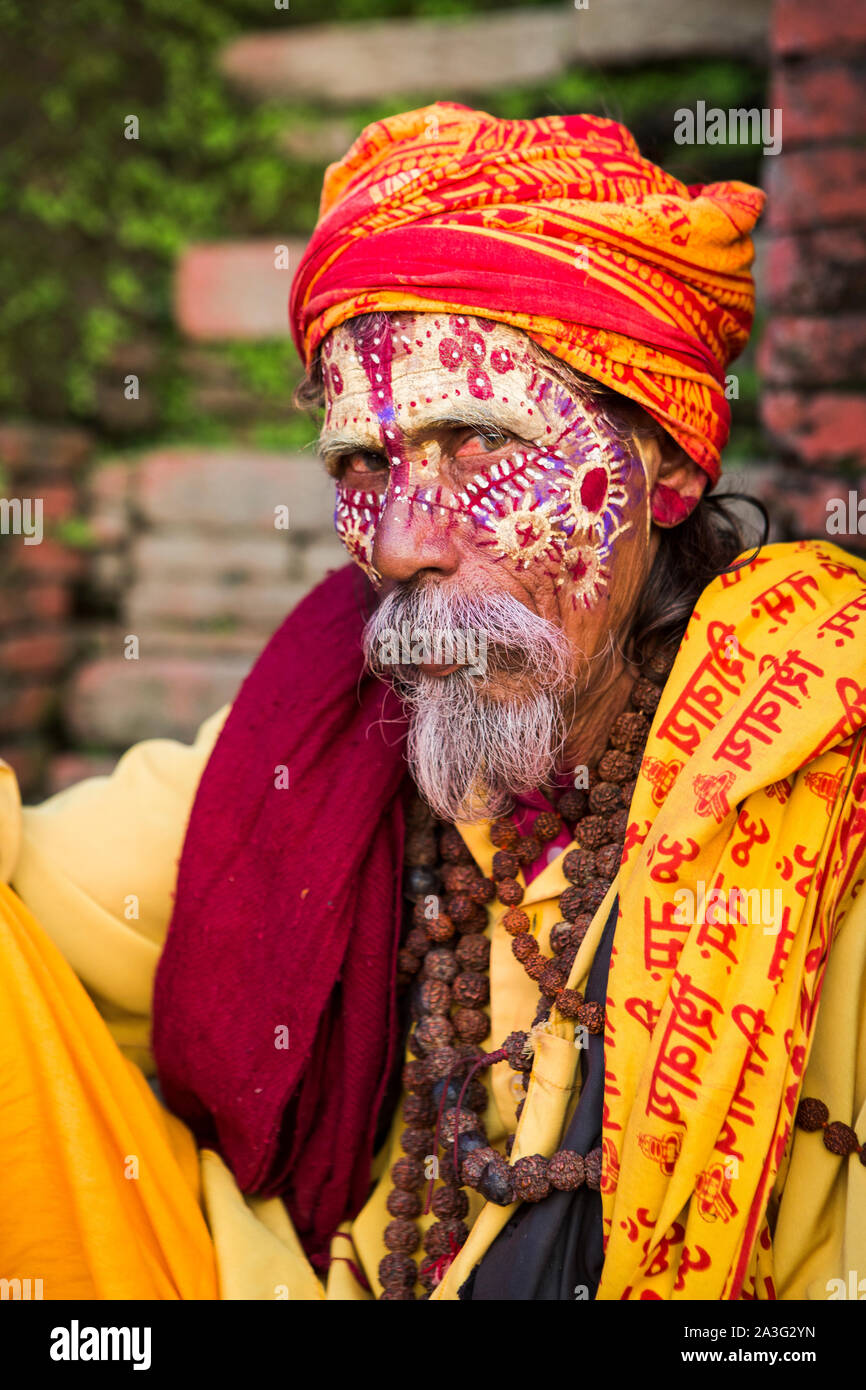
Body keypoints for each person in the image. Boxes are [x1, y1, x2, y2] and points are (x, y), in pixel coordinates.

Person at [1, 103, 865, 1302]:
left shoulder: (821, 772)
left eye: (476, 443)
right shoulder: (332, 719)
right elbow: (32, 891)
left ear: (660, 464)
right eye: (362, 464)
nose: (402, 540)